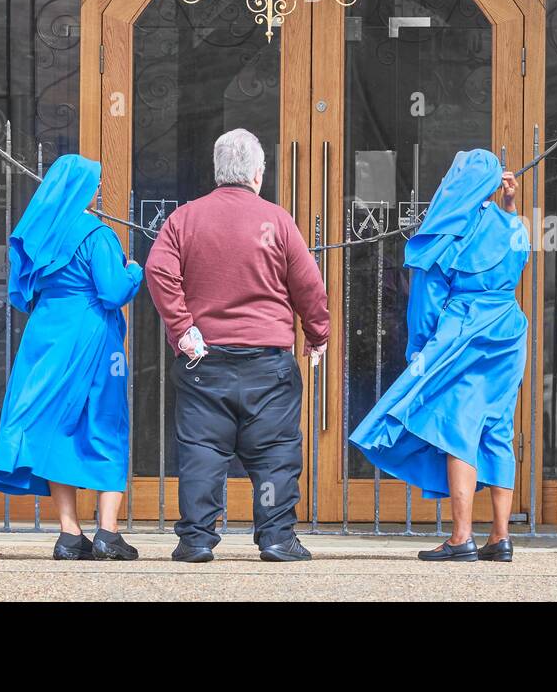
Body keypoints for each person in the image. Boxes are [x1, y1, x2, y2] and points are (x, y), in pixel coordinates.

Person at [144, 128, 329, 563]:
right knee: (273, 452)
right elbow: (309, 287)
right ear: (258, 173)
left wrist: (183, 326)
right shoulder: (277, 220)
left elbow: (158, 271)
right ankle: (276, 538)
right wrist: (317, 334)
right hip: (268, 362)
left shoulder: (184, 219)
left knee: (202, 452)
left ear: (217, 170)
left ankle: (196, 539)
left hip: (204, 359)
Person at [349, 149, 528, 561]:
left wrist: (420, 353)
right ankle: (500, 537)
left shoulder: (443, 231)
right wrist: (509, 204)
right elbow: (518, 250)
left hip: (463, 331)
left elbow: (425, 306)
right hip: (508, 327)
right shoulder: (511, 225)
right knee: (497, 428)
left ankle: (460, 537)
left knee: (458, 430)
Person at [0, 153, 144, 561]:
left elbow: (28, 288)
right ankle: (108, 532)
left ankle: (69, 532)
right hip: (91, 336)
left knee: (58, 428)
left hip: (46, 335)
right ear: (81, 190)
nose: (98, 190)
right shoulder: (97, 234)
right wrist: (134, 271)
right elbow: (112, 292)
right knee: (107, 423)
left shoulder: (44, 233)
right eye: (94, 183)